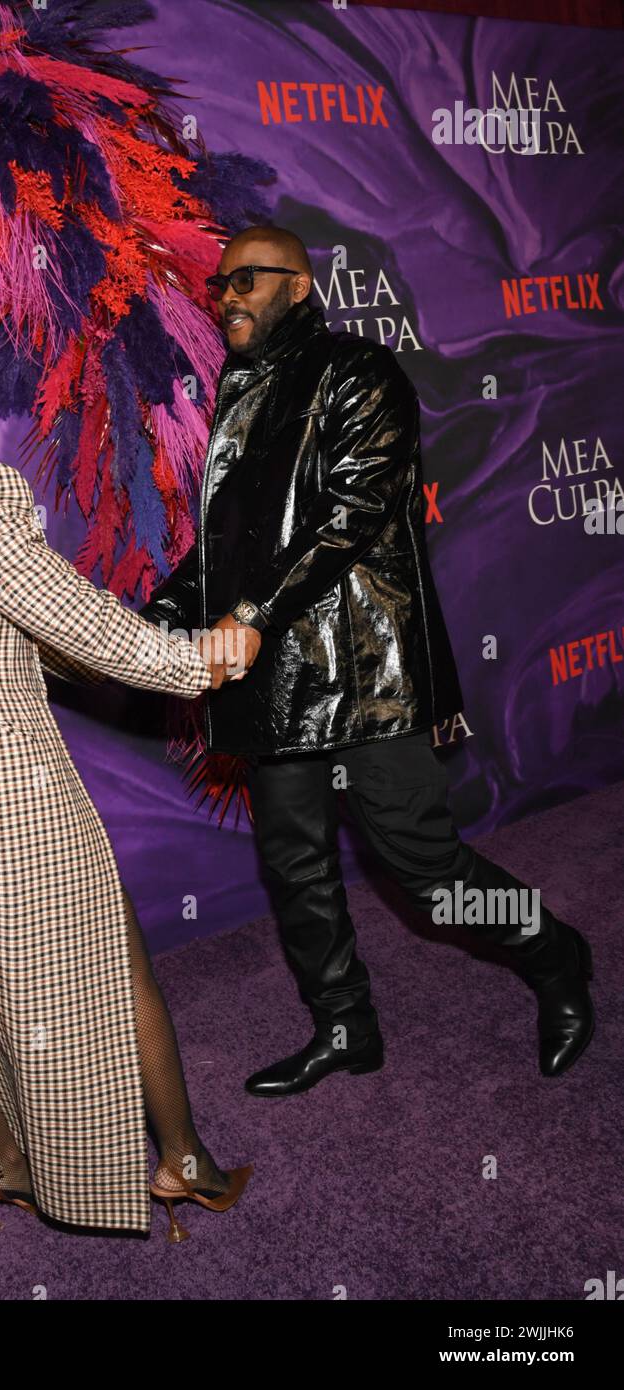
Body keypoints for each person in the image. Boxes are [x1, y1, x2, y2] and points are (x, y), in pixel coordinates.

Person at [140, 225, 594, 1096]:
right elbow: (228, 549)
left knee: (425, 871)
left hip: (364, 671)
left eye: (249, 279)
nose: (228, 295)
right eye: (219, 283)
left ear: (300, 287)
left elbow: (351, 512)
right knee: (294, 863)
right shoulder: (238, 393)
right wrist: (159, 611)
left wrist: (250, 612)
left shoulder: (358, 372)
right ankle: (344, 1023)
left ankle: (554, 950)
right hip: (276, 684)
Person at [0, 314, 252, 1242]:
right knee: (102, 966)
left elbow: (13, 631)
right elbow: (77, 623)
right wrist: (200, 661)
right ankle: (180, 1162)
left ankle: (16, 1162)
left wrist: (148, 648)